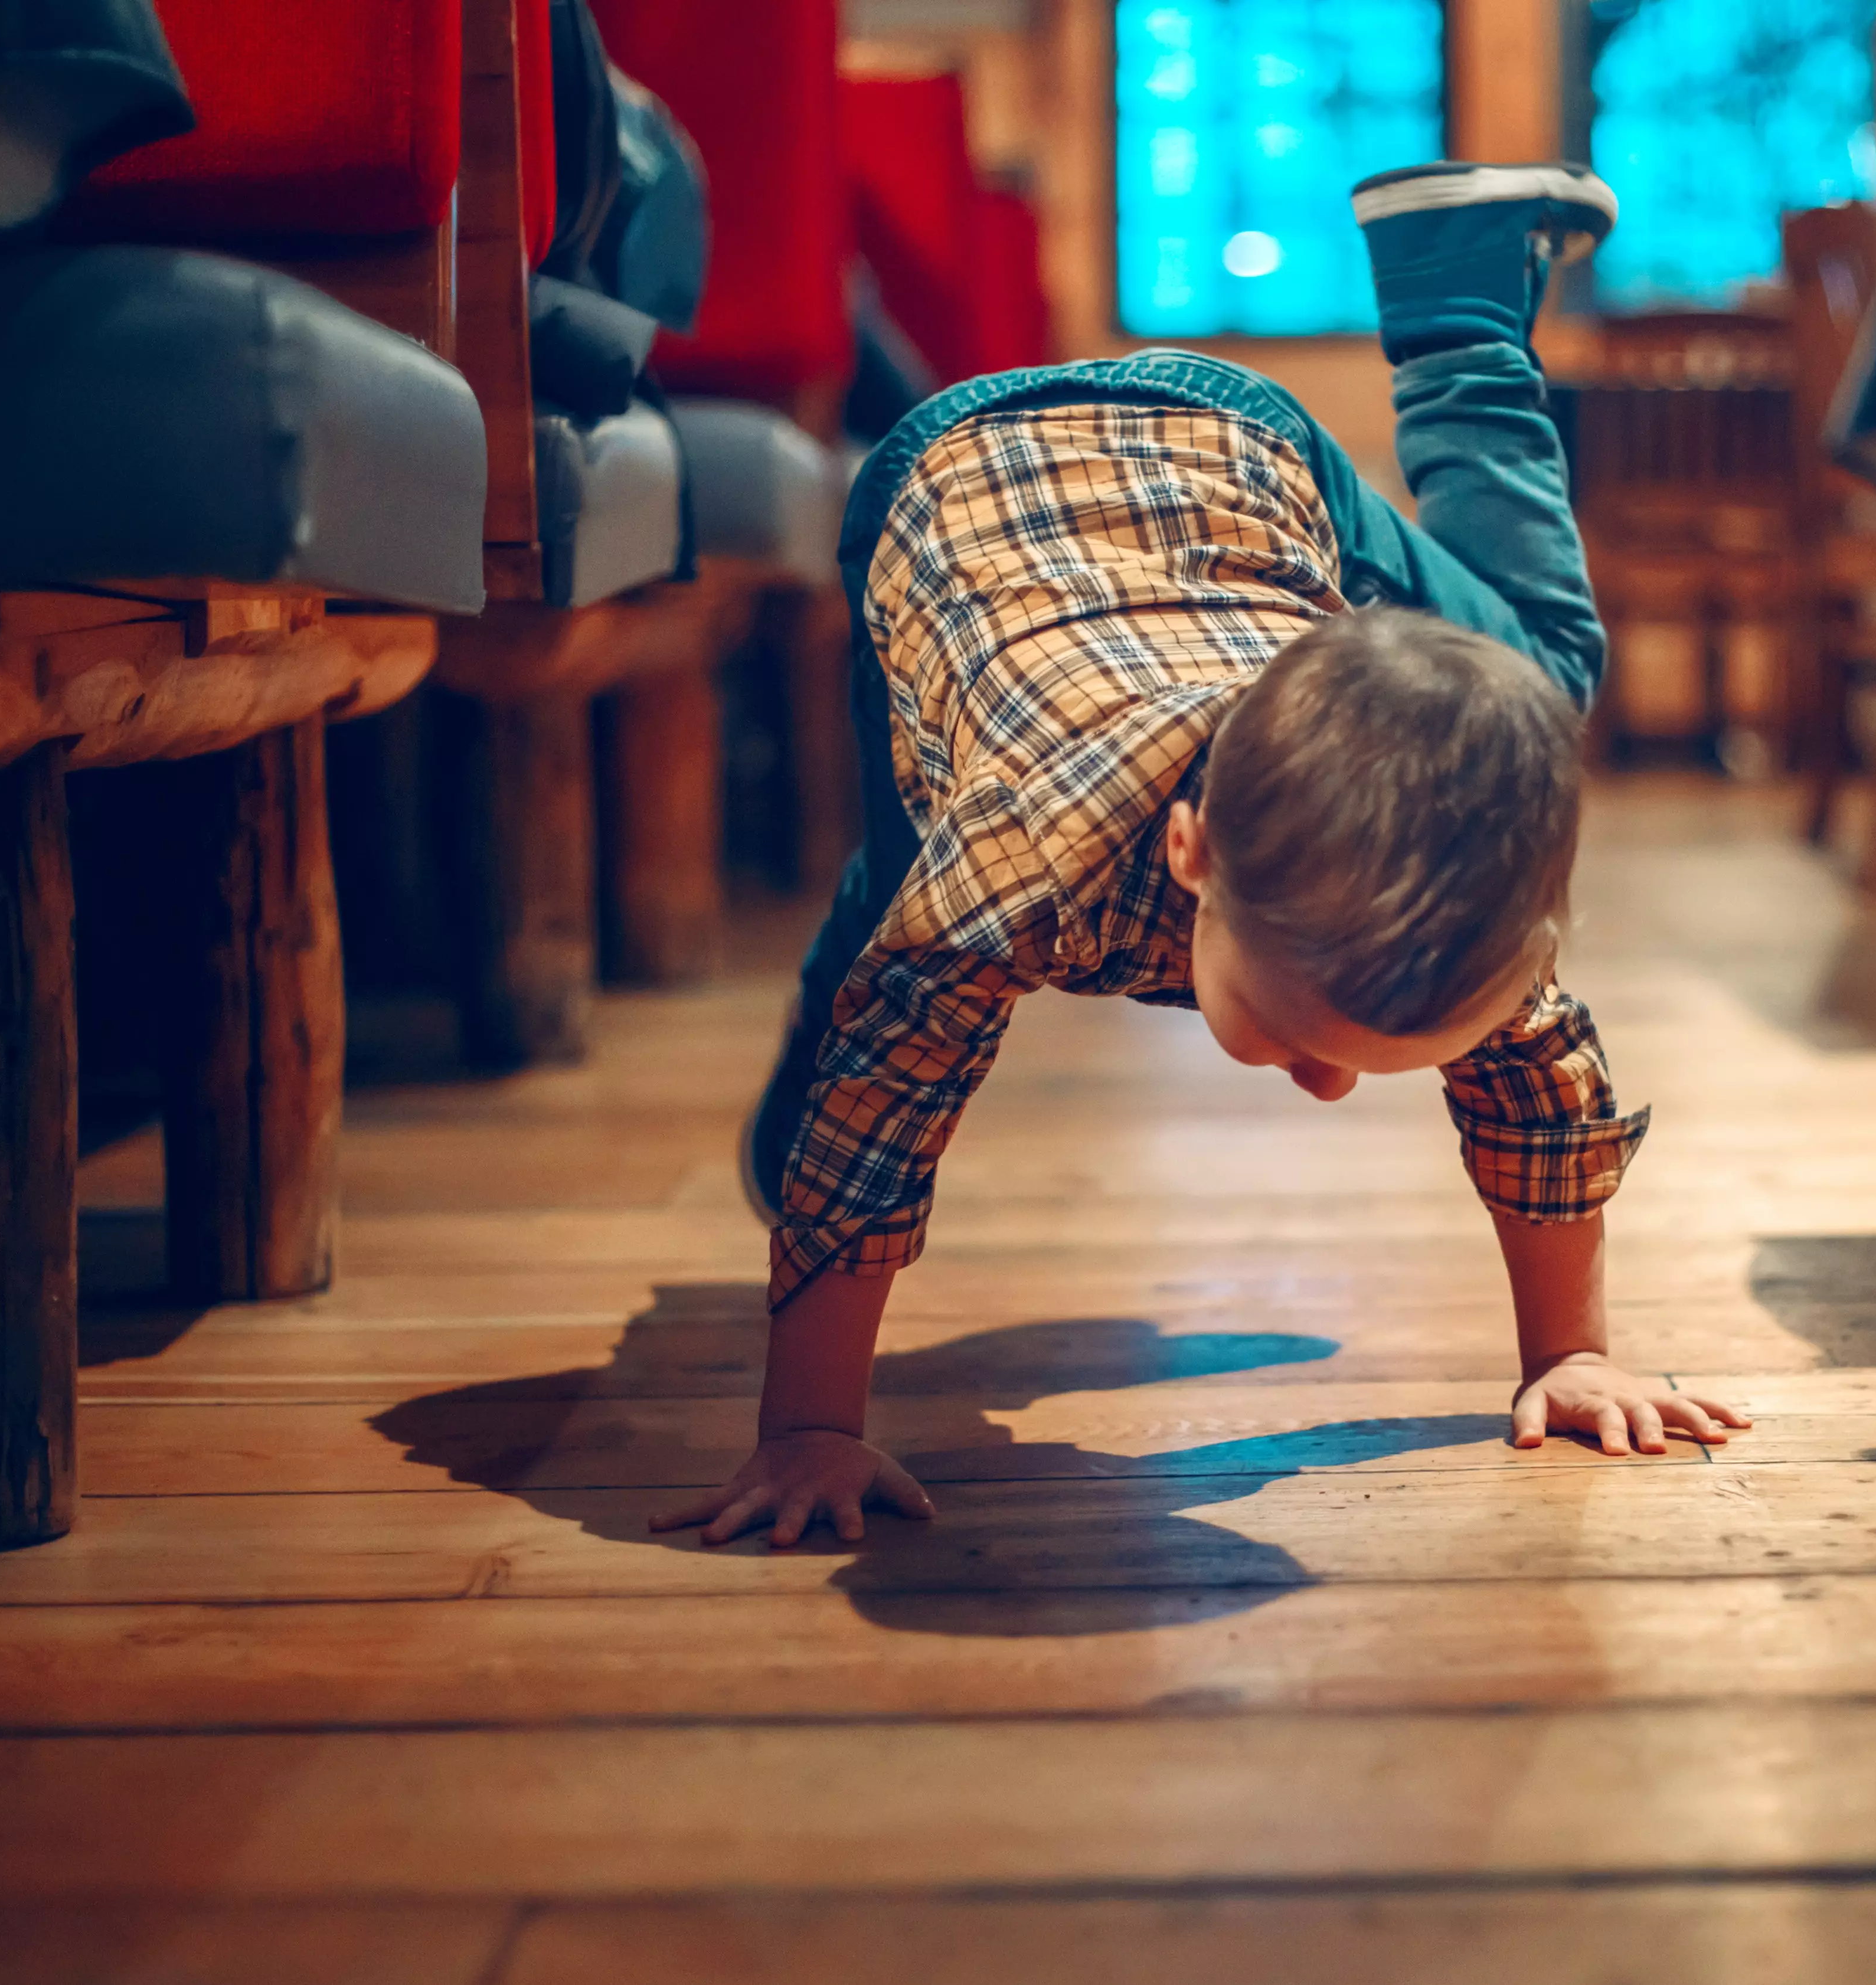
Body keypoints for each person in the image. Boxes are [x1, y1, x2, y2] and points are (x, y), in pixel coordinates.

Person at [655, 162, 1750, 1551]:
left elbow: (1541, 1099)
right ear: (1186, 852)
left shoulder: (1469, 925)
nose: (1330, 1084)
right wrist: (810, 1425)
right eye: (1297, 1041)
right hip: (947, 487)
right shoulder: (1014, 869)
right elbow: (887, 1121)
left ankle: (1453, 271)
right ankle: (1459, 307)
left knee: (1515, 711)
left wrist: (1569, 1353)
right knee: (896, 917)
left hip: (1219, 477)